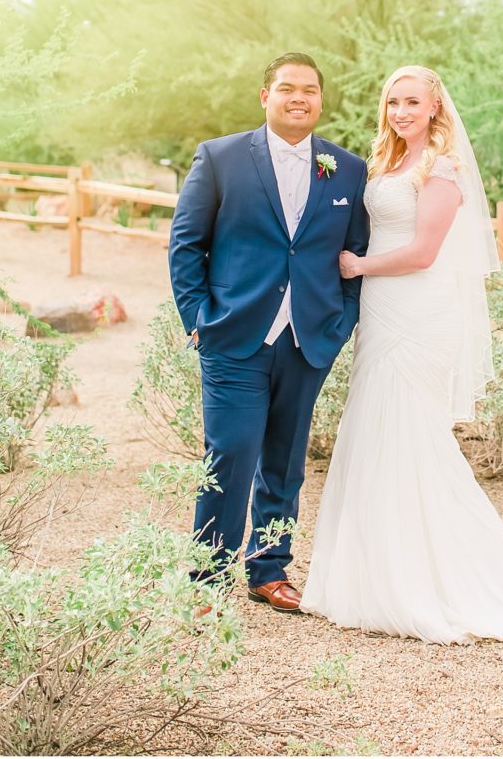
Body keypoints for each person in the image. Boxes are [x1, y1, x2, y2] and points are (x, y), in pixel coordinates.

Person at [300, 65, 503, 643]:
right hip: (381, 311)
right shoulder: (385, 162)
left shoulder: (441, 169)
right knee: (373, 428)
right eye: (393, 101)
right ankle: (371, 575)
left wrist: (359, 266)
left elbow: (423, 252)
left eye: (413, 102)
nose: (401, 111)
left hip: (419, 310)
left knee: (410, 432)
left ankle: (431, 580)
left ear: (435, 108)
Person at [169, 53, 369, 612]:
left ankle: (269, 569)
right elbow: (186, 244)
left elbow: (355, 253)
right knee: (230, 455)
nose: (297, 97)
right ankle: (208, 579)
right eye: (286, 89)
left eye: (308, 89)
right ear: (266, 97)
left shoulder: (346, 169)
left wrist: (341, 321)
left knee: (285, 460)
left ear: (321, 101)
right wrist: (197, 321)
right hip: (233, 336)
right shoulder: (221, 157)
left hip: (309, 340)